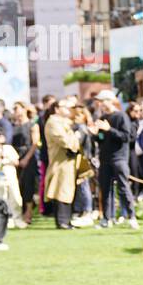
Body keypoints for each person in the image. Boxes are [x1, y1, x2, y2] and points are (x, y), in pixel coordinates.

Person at [93, 90, 137, 229]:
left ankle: (132, 217)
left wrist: (108, 129)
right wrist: (95, 134)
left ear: (110, 100)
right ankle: (107, 218)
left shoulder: (121, 116)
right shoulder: (103, 117)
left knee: (123, 188)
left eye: (102, 101)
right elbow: (101, 139)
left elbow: (126, 137)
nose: (100, 104)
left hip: (119, 158)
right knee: (105, 189)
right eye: (99, 101)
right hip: (104, 158)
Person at [44, 98, 83, 230]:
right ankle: (62, 221)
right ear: (56, 109)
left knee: (66, 190)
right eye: (64, 107)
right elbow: (64, 141)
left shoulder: (62, 122)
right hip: (60, 162)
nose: (68, 109)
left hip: (67, 161)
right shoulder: (53, 122)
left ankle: (67, 220)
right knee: (60, 190)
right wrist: (76, 137)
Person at [0, 128, 25, 228]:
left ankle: (18, 219)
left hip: (10, 176)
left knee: (15, 197)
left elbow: (16, 162)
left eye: (0, 136)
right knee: (0, 199)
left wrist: (7, 160)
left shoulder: (9, 148)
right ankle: (2, 221)